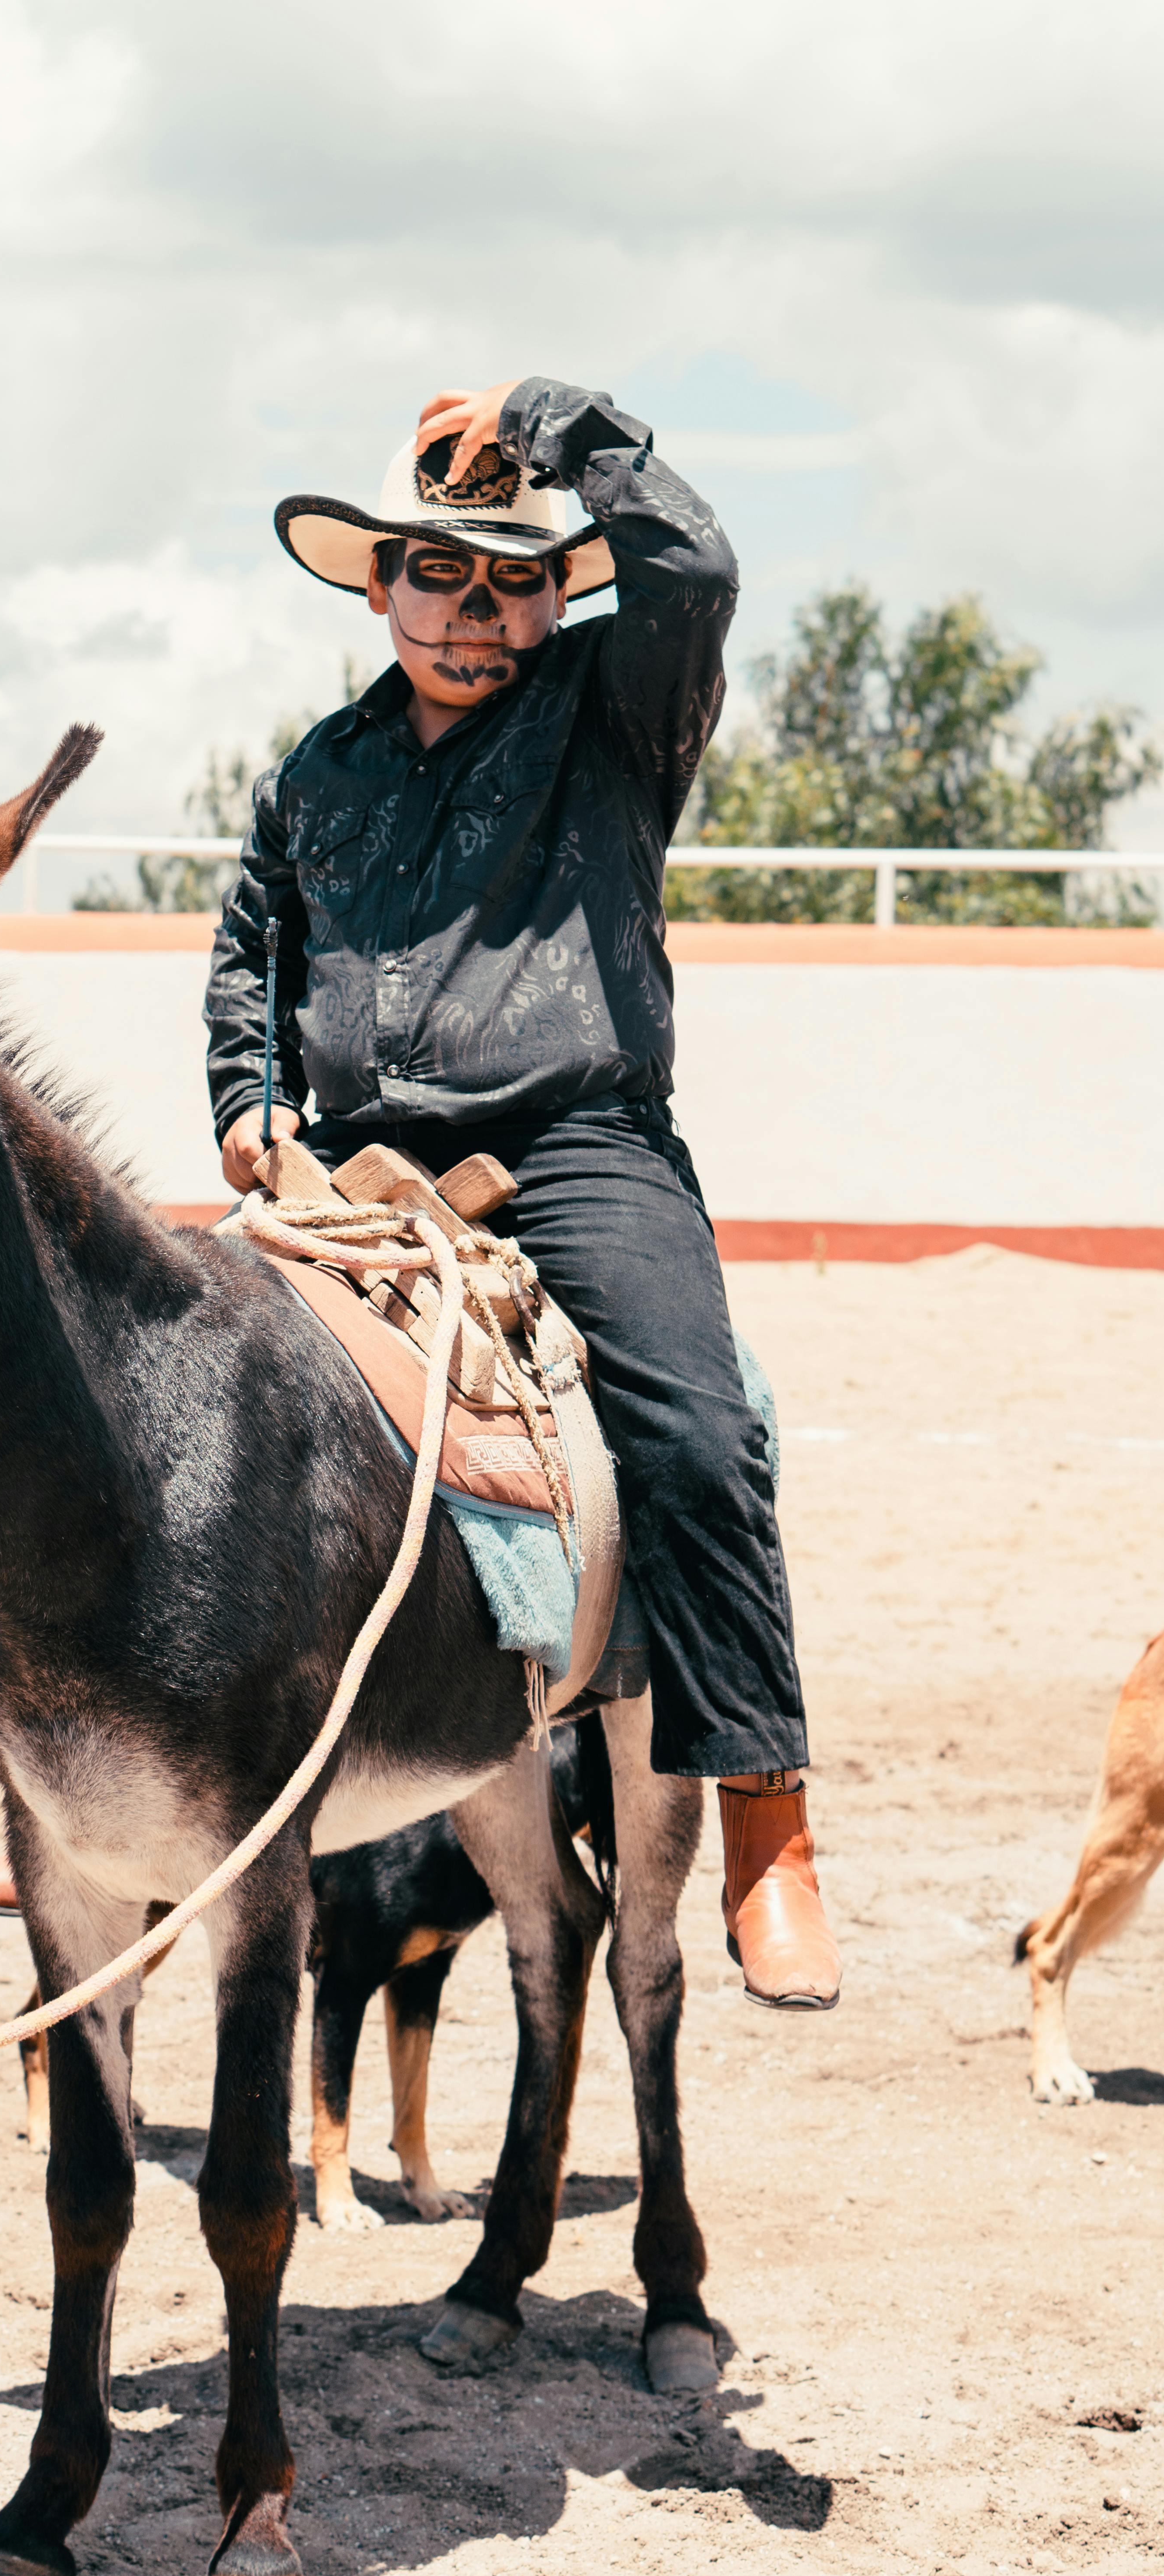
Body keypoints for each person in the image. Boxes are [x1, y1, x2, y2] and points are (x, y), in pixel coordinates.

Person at [202, 376, 840, 2011]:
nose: (475, 611)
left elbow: (687, 569)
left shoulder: (617, 711)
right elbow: (251, 947)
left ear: (558, 591)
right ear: (379, 587)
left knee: (699, 1426)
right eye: (440, 574)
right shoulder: (319, 773)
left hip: (578, 1148)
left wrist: (561, 422)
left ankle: (765, 1812)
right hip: (349, 1169)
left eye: (512, 576)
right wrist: (249, 1110)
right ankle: (141, 1784)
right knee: (157, 1387)